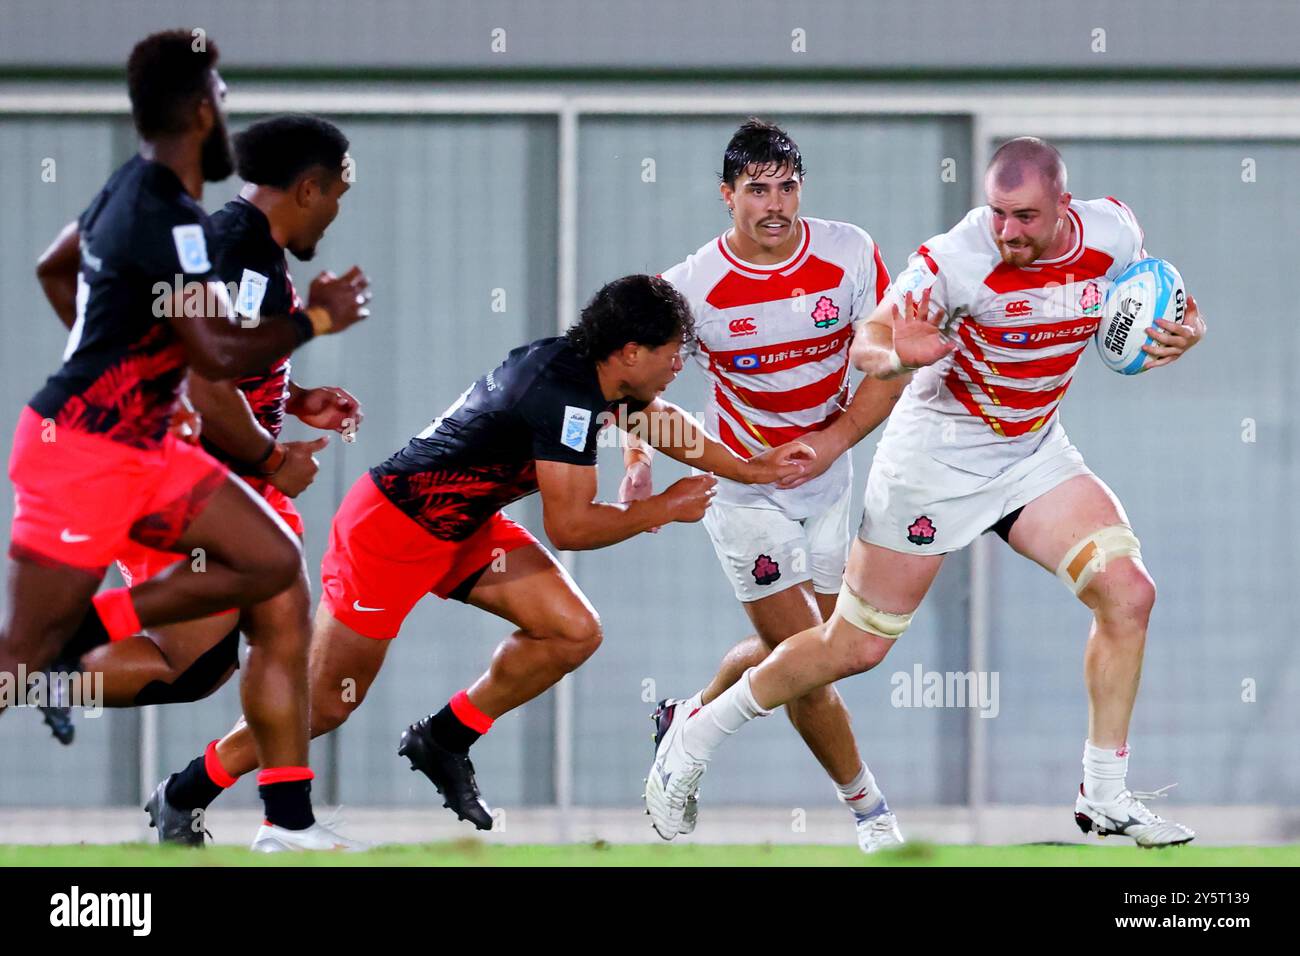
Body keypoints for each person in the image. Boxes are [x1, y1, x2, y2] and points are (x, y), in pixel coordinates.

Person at [647, 136, 1206, 848]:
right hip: (935, 461)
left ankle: (1104, 797)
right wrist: (892, 350)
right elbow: (872, 340)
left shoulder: (1113, 230)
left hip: (1032, 450)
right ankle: (694, 735)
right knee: (851, 648)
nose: (1008, 231)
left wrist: (1189, 327)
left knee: (1129, 594)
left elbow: (1169, 294)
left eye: (1026, 217)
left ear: (1065, 206)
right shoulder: (955, 258)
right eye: (998, 212)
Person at [144, 274, 814, 839]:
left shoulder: (601, 377)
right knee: (327, 702)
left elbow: (663, 422)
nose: (679, 365)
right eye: (673, 354)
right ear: (632, 351)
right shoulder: (564, 395)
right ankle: (183, 793)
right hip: (390, 533)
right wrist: (660, 509)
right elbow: (572, 527)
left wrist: (751, 470)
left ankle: (445, 737)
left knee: (571, 630)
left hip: (461, 528)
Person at [2, 31, 369, 849]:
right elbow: (217, 366)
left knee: (254, 605)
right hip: (90, 451)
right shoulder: (192, 227)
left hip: (139, 444)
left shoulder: (150, 200)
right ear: (203, 110)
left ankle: (285, 822)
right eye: (223, 95)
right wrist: (313, 324)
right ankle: (67, 653)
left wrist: (155, 379)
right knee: (51, 657)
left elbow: (58, 272)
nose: (229, 110)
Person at [622, 120, 907, 852]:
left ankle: (688, 714)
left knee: (823, 648)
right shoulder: (691, 288)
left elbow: (890, 369)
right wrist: (638, 461)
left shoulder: (848, 252)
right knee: (814, 668)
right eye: (757, 190)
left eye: (787, 187)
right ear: (726, 196)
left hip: (829, 485)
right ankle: (872, 815)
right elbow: (633, 387)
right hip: (744, 492)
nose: (775, 205)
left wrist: (833, 443)